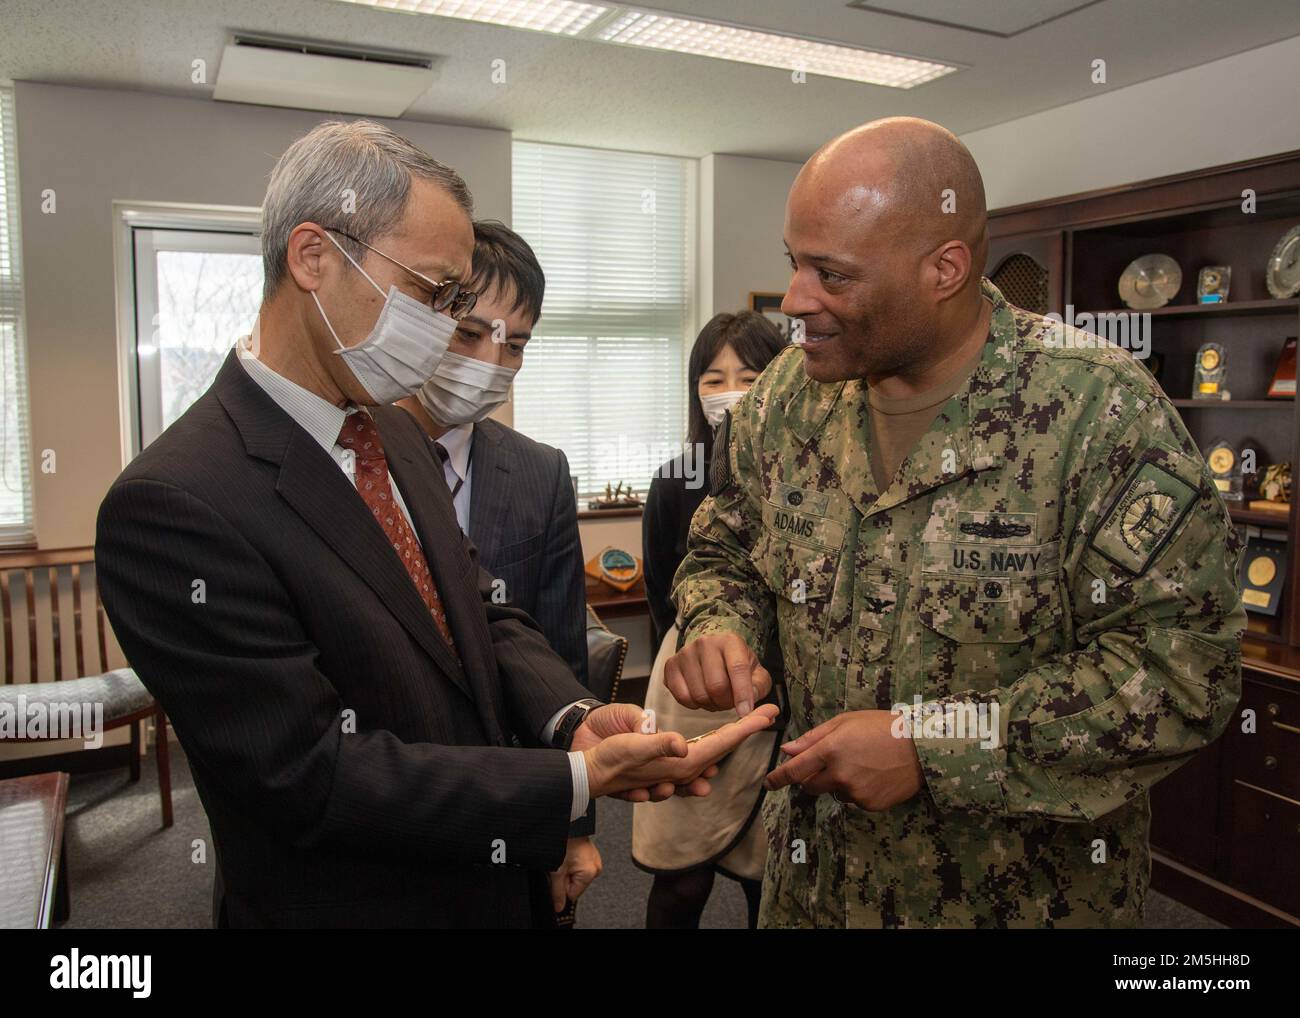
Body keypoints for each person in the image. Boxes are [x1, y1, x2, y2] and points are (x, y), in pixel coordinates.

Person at [95, 119, 777, 929]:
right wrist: (578, 784)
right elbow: (309, 775)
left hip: (496, 882)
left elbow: (476, 614)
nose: (446, 327)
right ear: (314, 257)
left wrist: (575, 719)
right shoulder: (176, 503)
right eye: (434, 294)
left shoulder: (389, 435)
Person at [665, 116, 1244, 928]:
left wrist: (929, 745)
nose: (796, 301)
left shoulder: (1096, 412)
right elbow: (725, 543)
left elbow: (1184, 668)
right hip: (813, 889)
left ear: (944, 268)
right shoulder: (786, 399)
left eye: (832, 275)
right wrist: (720, 625)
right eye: (794, 263)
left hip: (1012, 903)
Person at [381, 220, 596, 918]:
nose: (492, 360)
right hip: (384, 811)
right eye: (470, 334)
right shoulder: (351, 455)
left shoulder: (541, 472)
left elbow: (559, 655)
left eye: (517, 343)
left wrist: (573, 825)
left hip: (517, 806)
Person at [633, 311, 786, 928]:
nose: (729, 393)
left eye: (749, 376)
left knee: (767, 877)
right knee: (679, 879)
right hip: (688, 698)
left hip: (780, 700)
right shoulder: (675, 481)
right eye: (713, 378)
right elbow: (657, 595)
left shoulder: (806, 479)